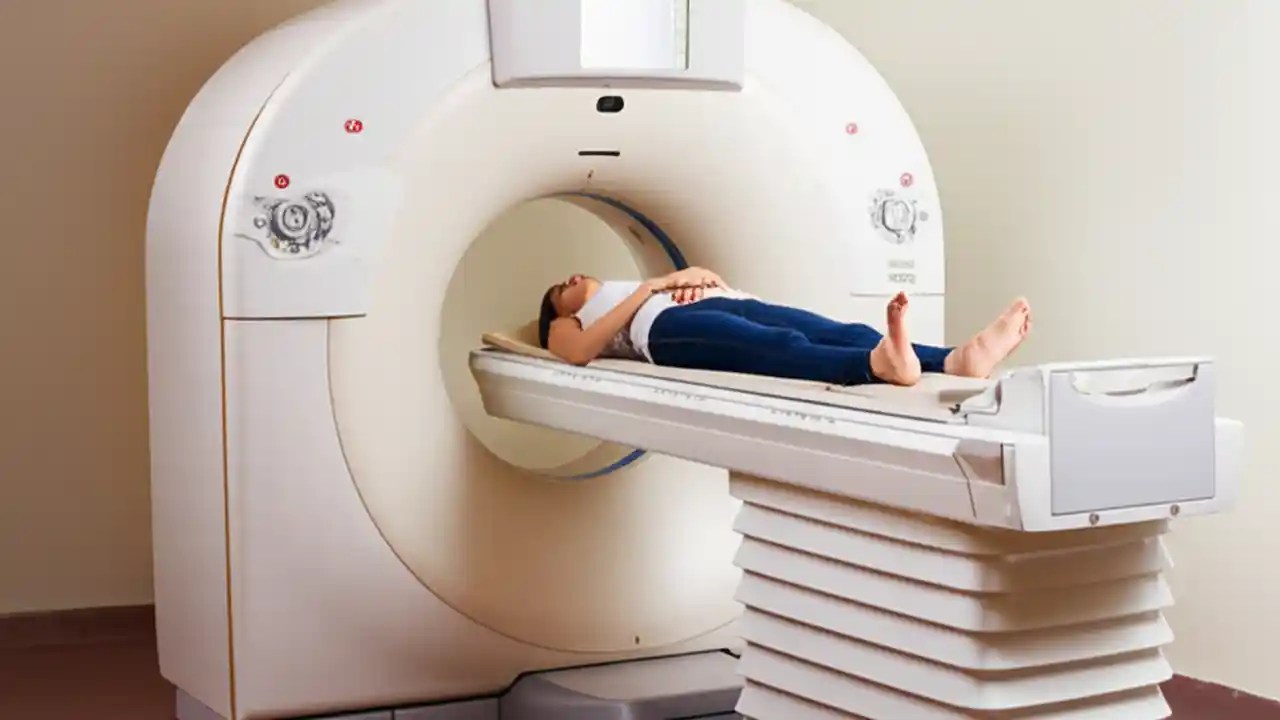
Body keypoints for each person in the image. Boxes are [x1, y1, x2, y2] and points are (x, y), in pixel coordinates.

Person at [536, 267, 1031, 387]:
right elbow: (578, 353)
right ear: (560, 310)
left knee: (837, 327)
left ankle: (952, 360)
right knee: (774, 346)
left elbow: (696, 279)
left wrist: (700, 277)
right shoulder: (571, 322)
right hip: (662, 328)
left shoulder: (621, 284)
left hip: (727, 299)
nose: (574, 278)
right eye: (563, 285)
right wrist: (654, 286)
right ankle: (875, 367)